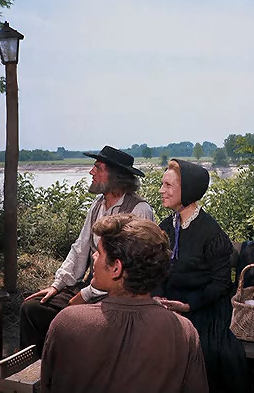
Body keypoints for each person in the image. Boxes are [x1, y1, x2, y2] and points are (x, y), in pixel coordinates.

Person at [39, 213, 208, 393]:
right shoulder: (184, 331)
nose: (94, 256)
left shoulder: (67, 322)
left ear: (116, 268)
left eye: (100, 252)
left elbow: (48, 385)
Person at [19, 146, 155, 355]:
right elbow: (80, 248)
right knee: (32, 309)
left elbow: (136, 267)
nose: (92, 172)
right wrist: (58, 285)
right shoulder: (97, 205)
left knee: (75, 320)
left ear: (115, 177)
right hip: (91, 286)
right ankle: (34, 376)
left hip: (119, 295)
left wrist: (84, 295)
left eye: (98, 168)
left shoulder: (138, 209)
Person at [155, 159, 251, 393]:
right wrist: (157, 297)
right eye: (162, 184)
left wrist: (188, 305)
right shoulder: (165, 227)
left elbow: (220, 284)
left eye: (168, 185)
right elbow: (155, 271)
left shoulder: (211, 232)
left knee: (203, 348)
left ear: (187, 190)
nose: (161, 190)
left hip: (203, 306)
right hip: (167, 304)